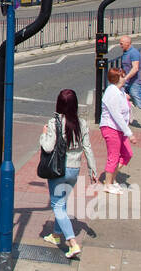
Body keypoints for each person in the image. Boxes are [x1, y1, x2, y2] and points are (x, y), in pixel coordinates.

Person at [40, 89, 99, 260]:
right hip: (74, 170)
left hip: (58, 170)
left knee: (57, 205)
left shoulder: (54, 123)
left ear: (59, 104)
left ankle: (72, 243)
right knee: (62, 202)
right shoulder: (81, 123)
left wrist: (43, 135)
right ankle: (57, 234)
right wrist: (92, 170)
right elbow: (87, 148)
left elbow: (48, 147)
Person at [98, 67, 134, 195]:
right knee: (113, 156)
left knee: (127, 154)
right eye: (123, 76)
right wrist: (129, 133)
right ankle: (108, 184)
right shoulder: (111, 92)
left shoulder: (120, 91)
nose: (125, 78)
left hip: (119, 128)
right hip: (111, 127)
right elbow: (116, 115)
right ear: (118, 78)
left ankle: (111, 179)